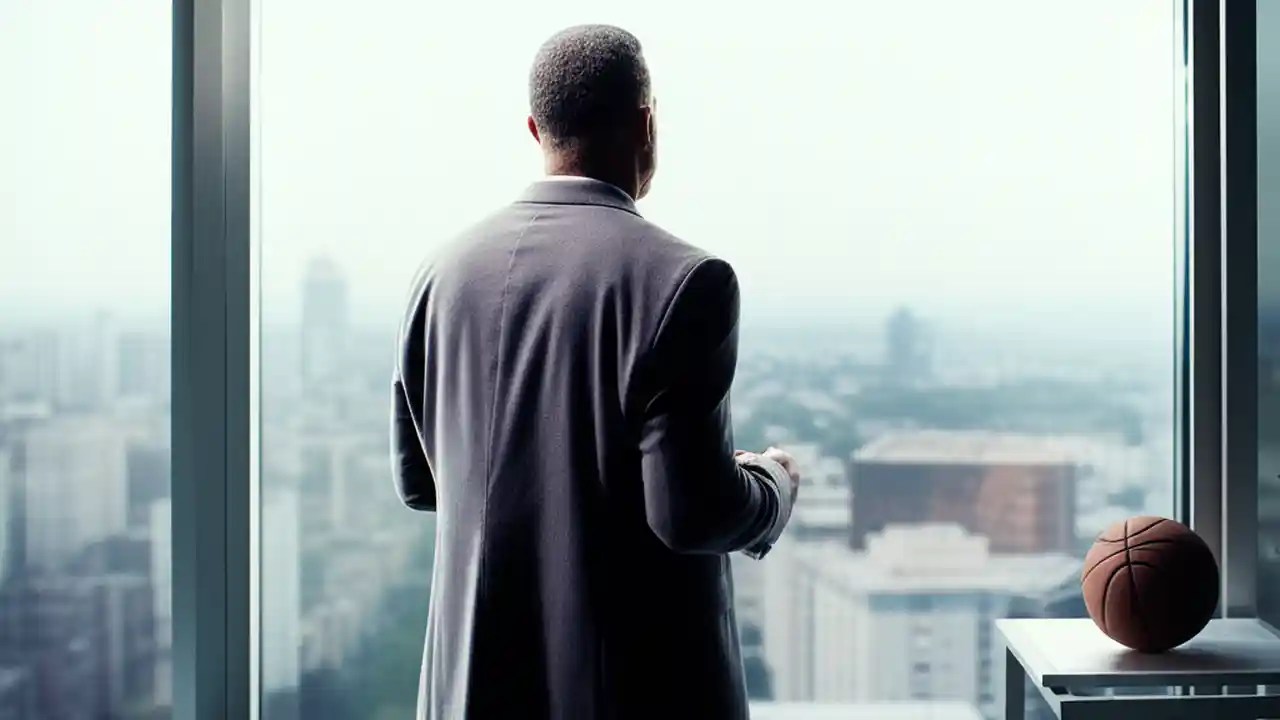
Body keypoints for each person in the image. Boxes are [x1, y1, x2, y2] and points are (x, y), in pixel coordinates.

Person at [392, 23, 801, 720]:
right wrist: (773, 486)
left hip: (470, 691)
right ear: (646, 124)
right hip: (636, 691)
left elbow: (421, 484)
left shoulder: (440, 273)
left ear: (535, 128)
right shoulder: (686, 281)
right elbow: (691, 515)